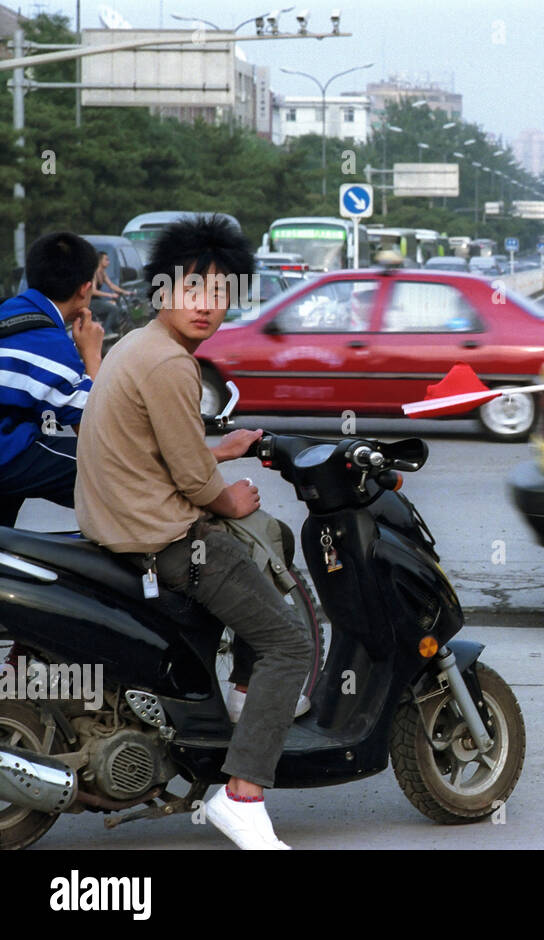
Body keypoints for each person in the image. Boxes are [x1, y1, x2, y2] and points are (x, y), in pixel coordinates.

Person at [75, 214, 312, 848]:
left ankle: (235, 701)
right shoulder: (172, 366)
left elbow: (156, 448)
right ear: (163, 292)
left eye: (221, 292)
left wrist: (225, 449)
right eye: (192, 290)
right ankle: (242, 794)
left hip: (119, 523)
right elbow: (187, 474)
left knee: (275, 546)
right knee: (291, 644)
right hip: (168, 541)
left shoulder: (136, 344)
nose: (208, 305)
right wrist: (225, 495)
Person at [0, 232, 103, 527]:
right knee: (110, 472)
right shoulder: (48, 344)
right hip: (5, 452)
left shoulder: (9, 311)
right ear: (84, 289)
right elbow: (96, 427)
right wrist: (91, 354)